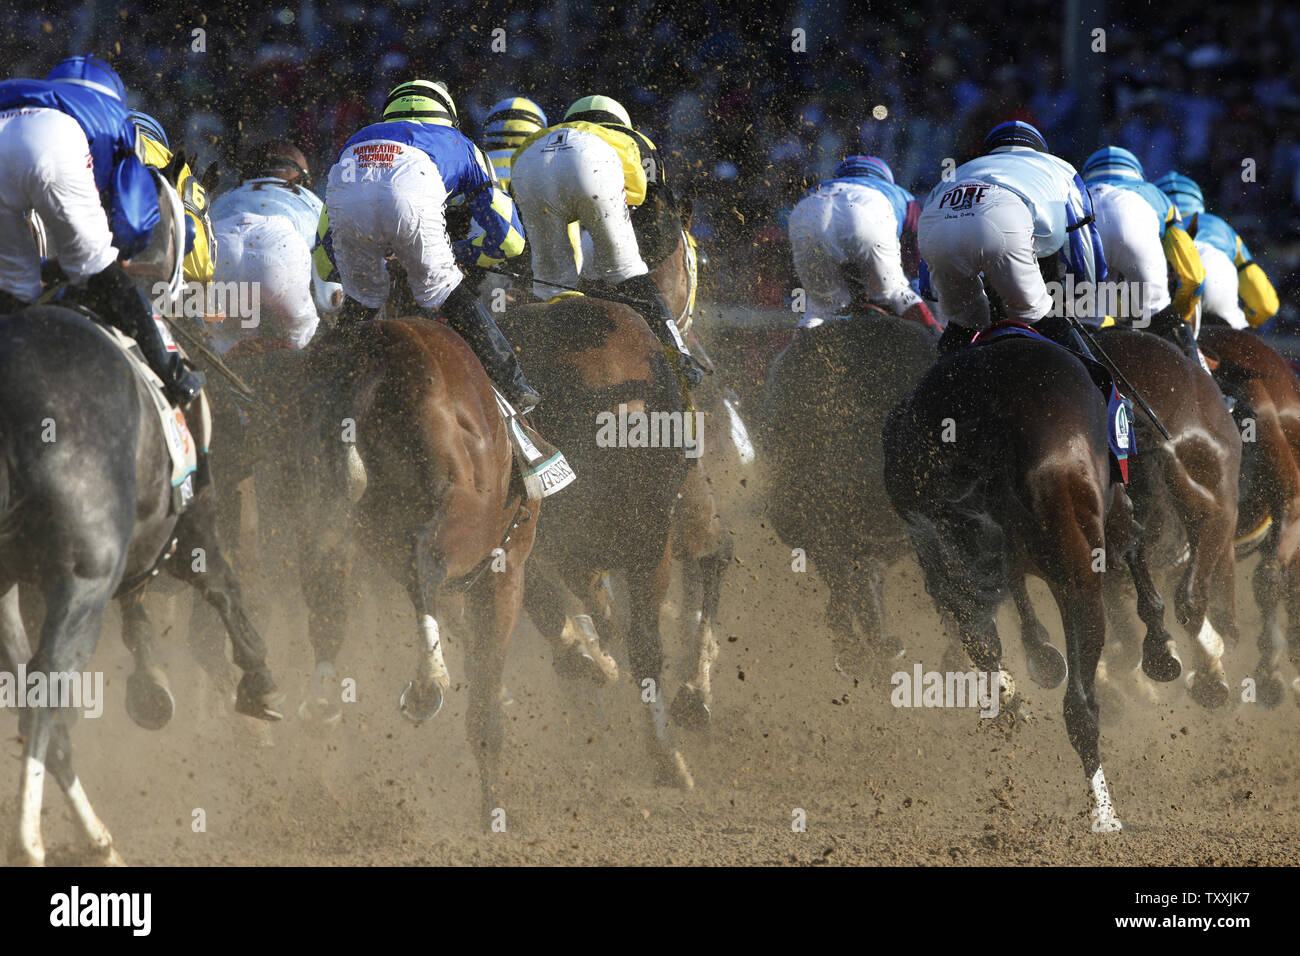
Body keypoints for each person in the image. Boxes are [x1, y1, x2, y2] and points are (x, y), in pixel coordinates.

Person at [322, 78, 538, 414]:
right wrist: (461, 252)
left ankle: (321, 381)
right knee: (446, 291)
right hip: (413, 199)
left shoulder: (357, 138)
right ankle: (516, 388)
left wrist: (375, 266)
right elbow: (510, 240)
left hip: (349, 193)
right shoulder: (460, 142)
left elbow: (325, 258)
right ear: (448, 115)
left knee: (363, 299)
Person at [0, 56, 203, 403]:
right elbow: (133, 217)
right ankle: (175, 376)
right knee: (100, 269)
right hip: (53, 143)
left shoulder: (28, 91)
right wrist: (117, 258)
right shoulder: (117, 117)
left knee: (16, 292)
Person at [511, 94, 705, 386]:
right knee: (627, 271)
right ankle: (679, 359)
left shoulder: (550, 134)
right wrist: (627, 276)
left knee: (550, 285)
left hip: (529, 162)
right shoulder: (634, 140)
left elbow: (521, 238)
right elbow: (663, 227)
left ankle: (521, 366)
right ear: (621, 124)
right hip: (589, 165)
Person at [918, 121, 1106, 374]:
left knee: (963, 326)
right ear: (1040, 150)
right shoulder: (1059, 168)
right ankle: (1098, 392)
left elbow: (929, 283)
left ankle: (924, 401)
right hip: (1005, 221)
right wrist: (1081, 291)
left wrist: (950, 299)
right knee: (1041, 318)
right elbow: (1082, 240)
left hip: (940, 220)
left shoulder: (959, 171)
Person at [208, 140, 341, 353]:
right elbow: (329, 297)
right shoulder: (313, 201)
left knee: (220, 344)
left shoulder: (224, 197)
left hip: (223, 248)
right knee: (305, 338)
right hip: (279, 250)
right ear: (300, 177)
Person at [786, 154, 938, 332]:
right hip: (867, 211)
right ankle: (936, 343)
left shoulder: (819, 188)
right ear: (884, 177)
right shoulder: (898, 192)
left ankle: (795, 357)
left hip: (808, 211)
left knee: (820, 308)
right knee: (896, 292)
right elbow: (921, 259)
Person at [1081, 146, 1206, 362]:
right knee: (1160, 314)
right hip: (1135, 219)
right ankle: (1201, 381)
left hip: (1083, 216)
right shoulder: (1154, 193)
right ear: (1138, 175)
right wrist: (1175, 318)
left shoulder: (1077, 190)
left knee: (1079, 325)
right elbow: (1192, 276)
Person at [1153, 172, 1279, 330]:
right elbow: (1266, 305)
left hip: (1181, 291)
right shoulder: (1223, 227)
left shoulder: (1156, 222)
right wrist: (1247, 322)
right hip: (1222, 295)